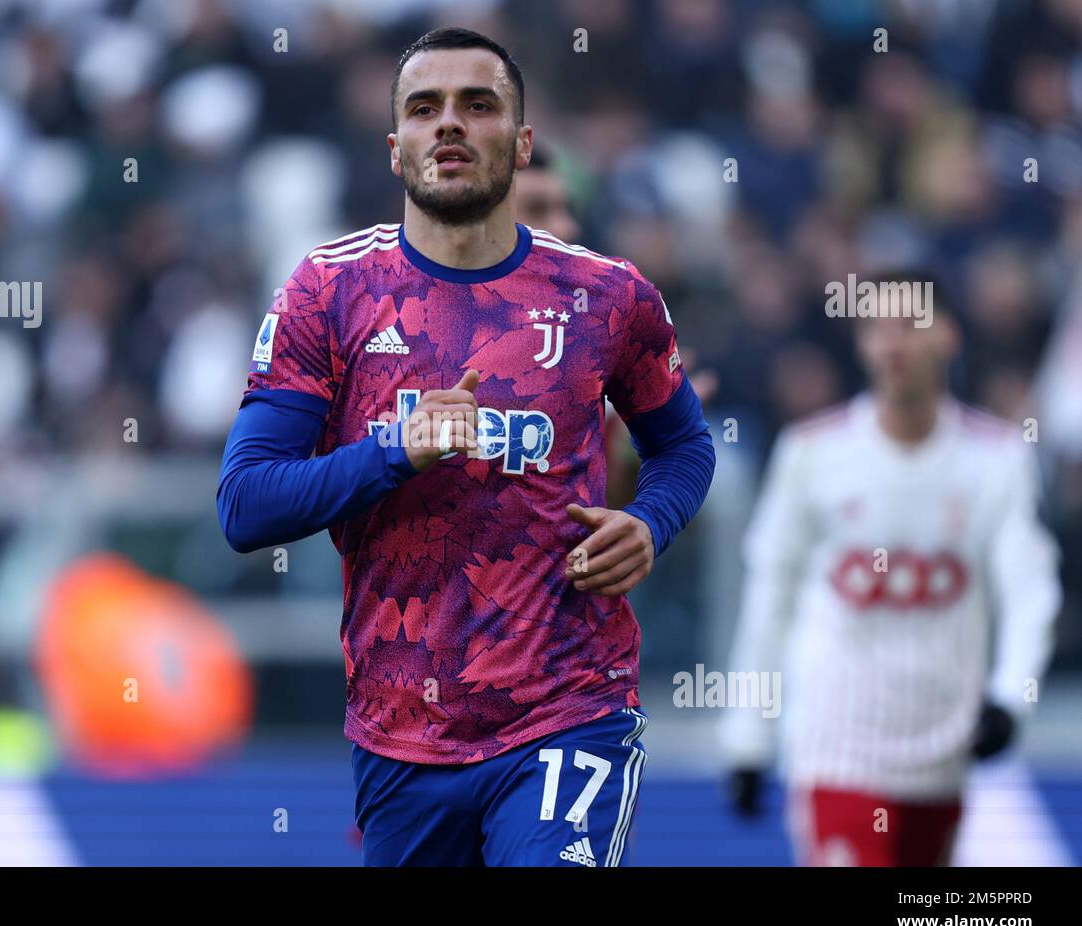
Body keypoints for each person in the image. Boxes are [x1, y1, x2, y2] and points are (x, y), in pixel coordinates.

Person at [218, 27, 715, 866]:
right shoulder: (328, 293)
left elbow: (687, 447)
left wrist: (651, 523)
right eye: (425, 108)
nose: (449, 124)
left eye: (477, 106)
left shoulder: (608, 297)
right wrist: (392, 453)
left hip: (567, 707)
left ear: (521, 144)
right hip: (401, 732)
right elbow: (245, 503)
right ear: (394, 147)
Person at [719, 272, 1060, 866]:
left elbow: (1030, 588)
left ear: (949, 336)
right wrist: (747, 737)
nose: (894, 343)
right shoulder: (812, 453)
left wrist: (1010, 697)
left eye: (911, 325)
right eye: (880, 327)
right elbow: (769, 596)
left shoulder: (996, 458)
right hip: (837, 747)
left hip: (944, 754)